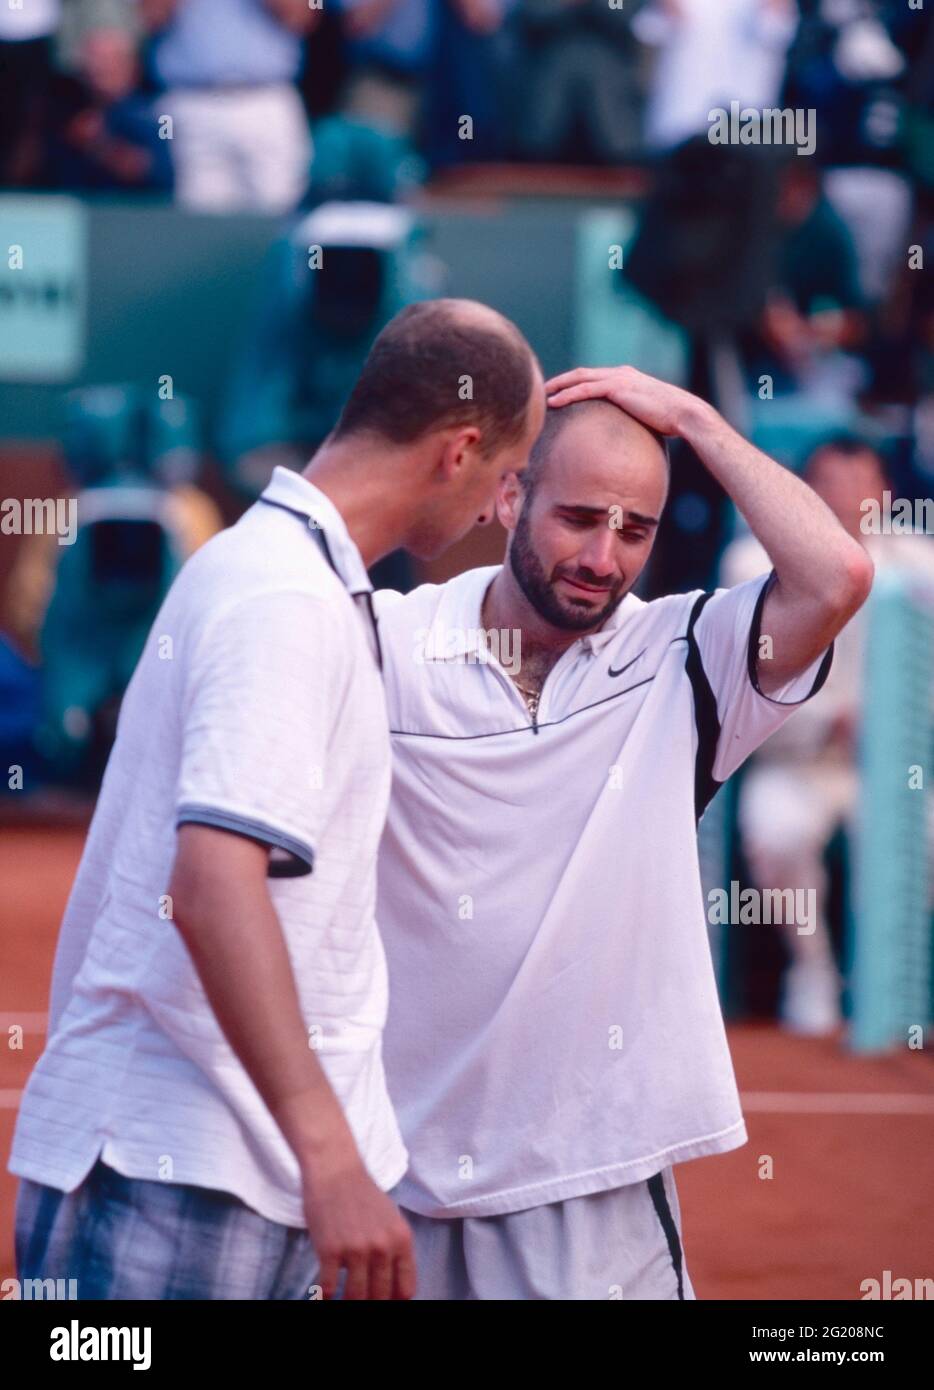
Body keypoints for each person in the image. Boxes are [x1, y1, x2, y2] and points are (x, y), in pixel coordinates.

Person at [9, 299, 545, 1301]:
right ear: (458, 449)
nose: (499, 508)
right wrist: (331, 1156)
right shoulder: (284, 600)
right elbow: (213, 886)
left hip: (223, 1167)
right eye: (508, 475)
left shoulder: (286, 575)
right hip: (182, 1171)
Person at [372, 364, 874, 1300]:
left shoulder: (685, 657)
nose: (603, 558)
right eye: (579, 518)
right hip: (392, 1169)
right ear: (510, 494)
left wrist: (695, 422)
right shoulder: (389, 644)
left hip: (590, 1180)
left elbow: (838, 573)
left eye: (635, 529)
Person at [721, 435, 934, 1034]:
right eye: (829, 484)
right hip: (792, 760)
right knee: (778, 834)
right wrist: (826, 722)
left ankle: (886, 982)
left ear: (884, 493)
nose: (843, 498)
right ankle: (812, 971)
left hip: (893, 769)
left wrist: (897, 726)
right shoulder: (751, 563)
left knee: (926, 844)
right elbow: (741, 678)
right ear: (805, 493)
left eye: (858, 483)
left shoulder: (922, 565)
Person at [138, 0, 317, 212]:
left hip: (265, 98)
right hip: (192, 101)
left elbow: (302, 19)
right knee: (198, 214)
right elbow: (151, 18)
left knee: (282, 210)